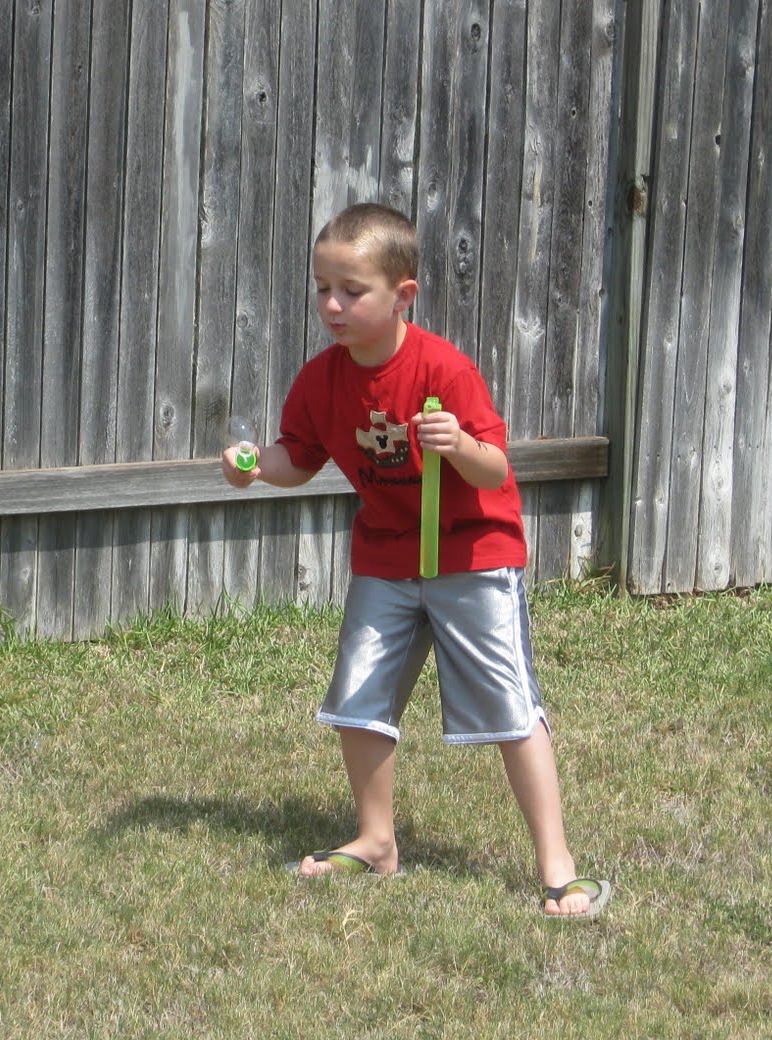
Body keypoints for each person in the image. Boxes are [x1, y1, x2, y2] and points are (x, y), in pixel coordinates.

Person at [221, 202, 610, 919]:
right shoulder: (324, 380)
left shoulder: (443, 370)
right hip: (388, 557)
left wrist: (456, 444)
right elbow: (298, 457)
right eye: (321, 288)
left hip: (473, 556)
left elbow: (494, 470)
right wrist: (253, 466)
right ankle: (376, 841)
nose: (332, 305)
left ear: (403, 294)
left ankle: (559, 867)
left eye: (351, 291)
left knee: (508, 704)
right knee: (359, 699)